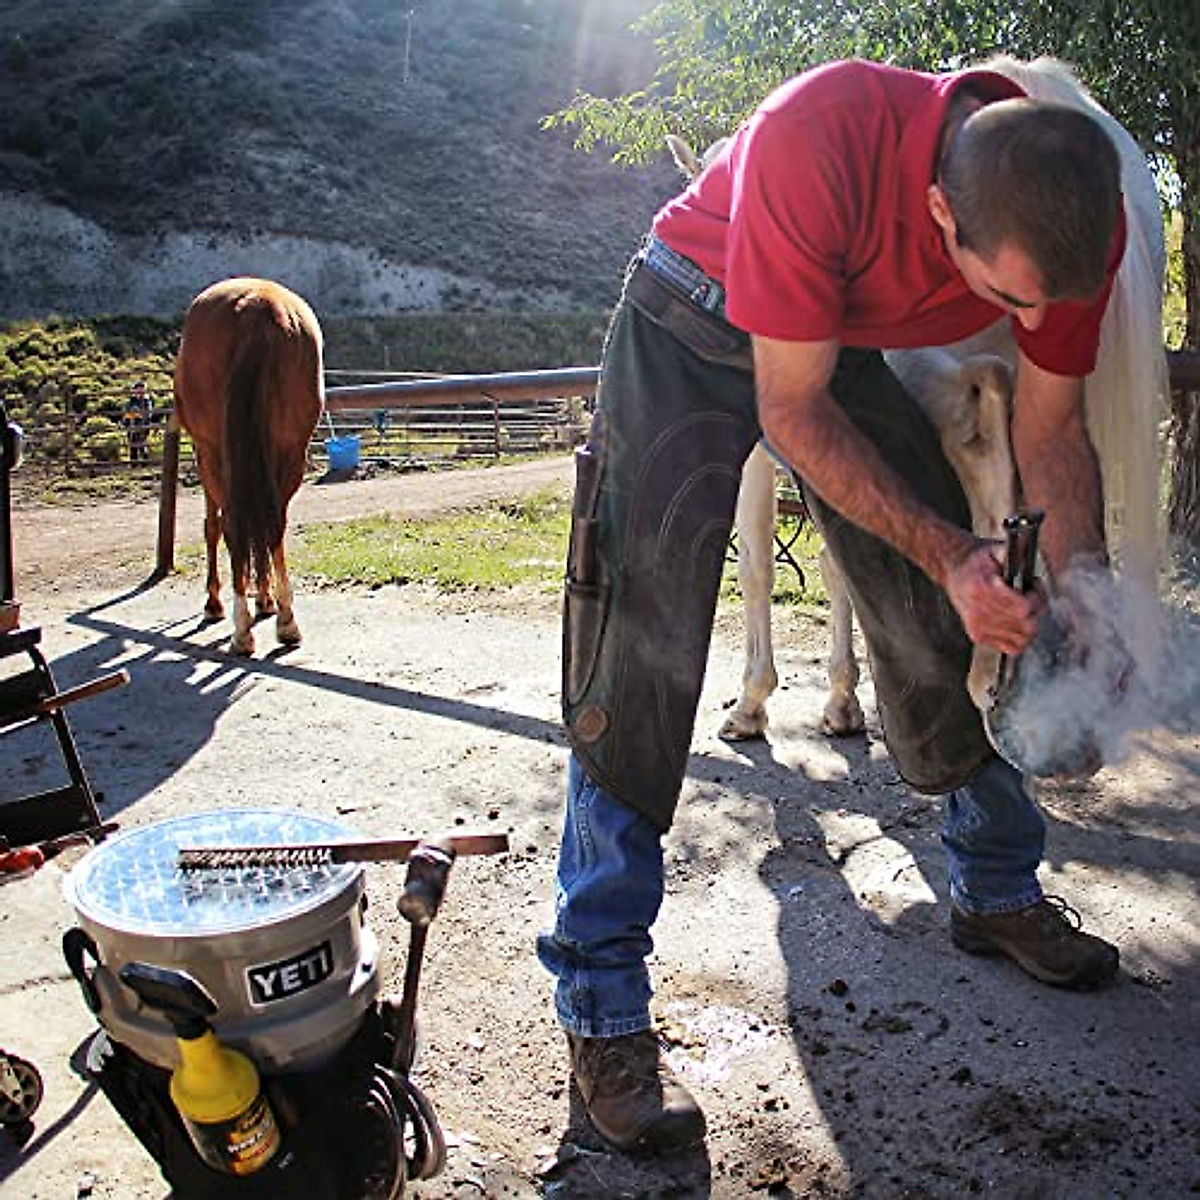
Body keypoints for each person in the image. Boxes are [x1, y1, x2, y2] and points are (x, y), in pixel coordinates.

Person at [537, 58, 1129, 1154]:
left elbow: (1052, 430)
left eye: (1048, 302)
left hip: (831, 333)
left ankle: (994, 886)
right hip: (690, 321)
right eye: (1005, 301)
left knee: (943, 613)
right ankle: (602, 1003)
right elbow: (792, 408)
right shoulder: (822, 133)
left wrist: (1083, 592)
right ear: (940, 209)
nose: (1031, 320)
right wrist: (952, 546)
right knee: (642, 650)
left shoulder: (1061, 202)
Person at [123, 379, 152, 464]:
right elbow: (126, 412)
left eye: (142, 389)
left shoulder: (146, 401)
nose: (140, 391)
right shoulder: (130, 402)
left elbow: (148, 414)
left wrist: (140, 417)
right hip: (131, 426)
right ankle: (134, 463)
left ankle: (144, 463)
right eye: (138, 389)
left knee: (142, 444)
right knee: (133, 445)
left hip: (143, 425)